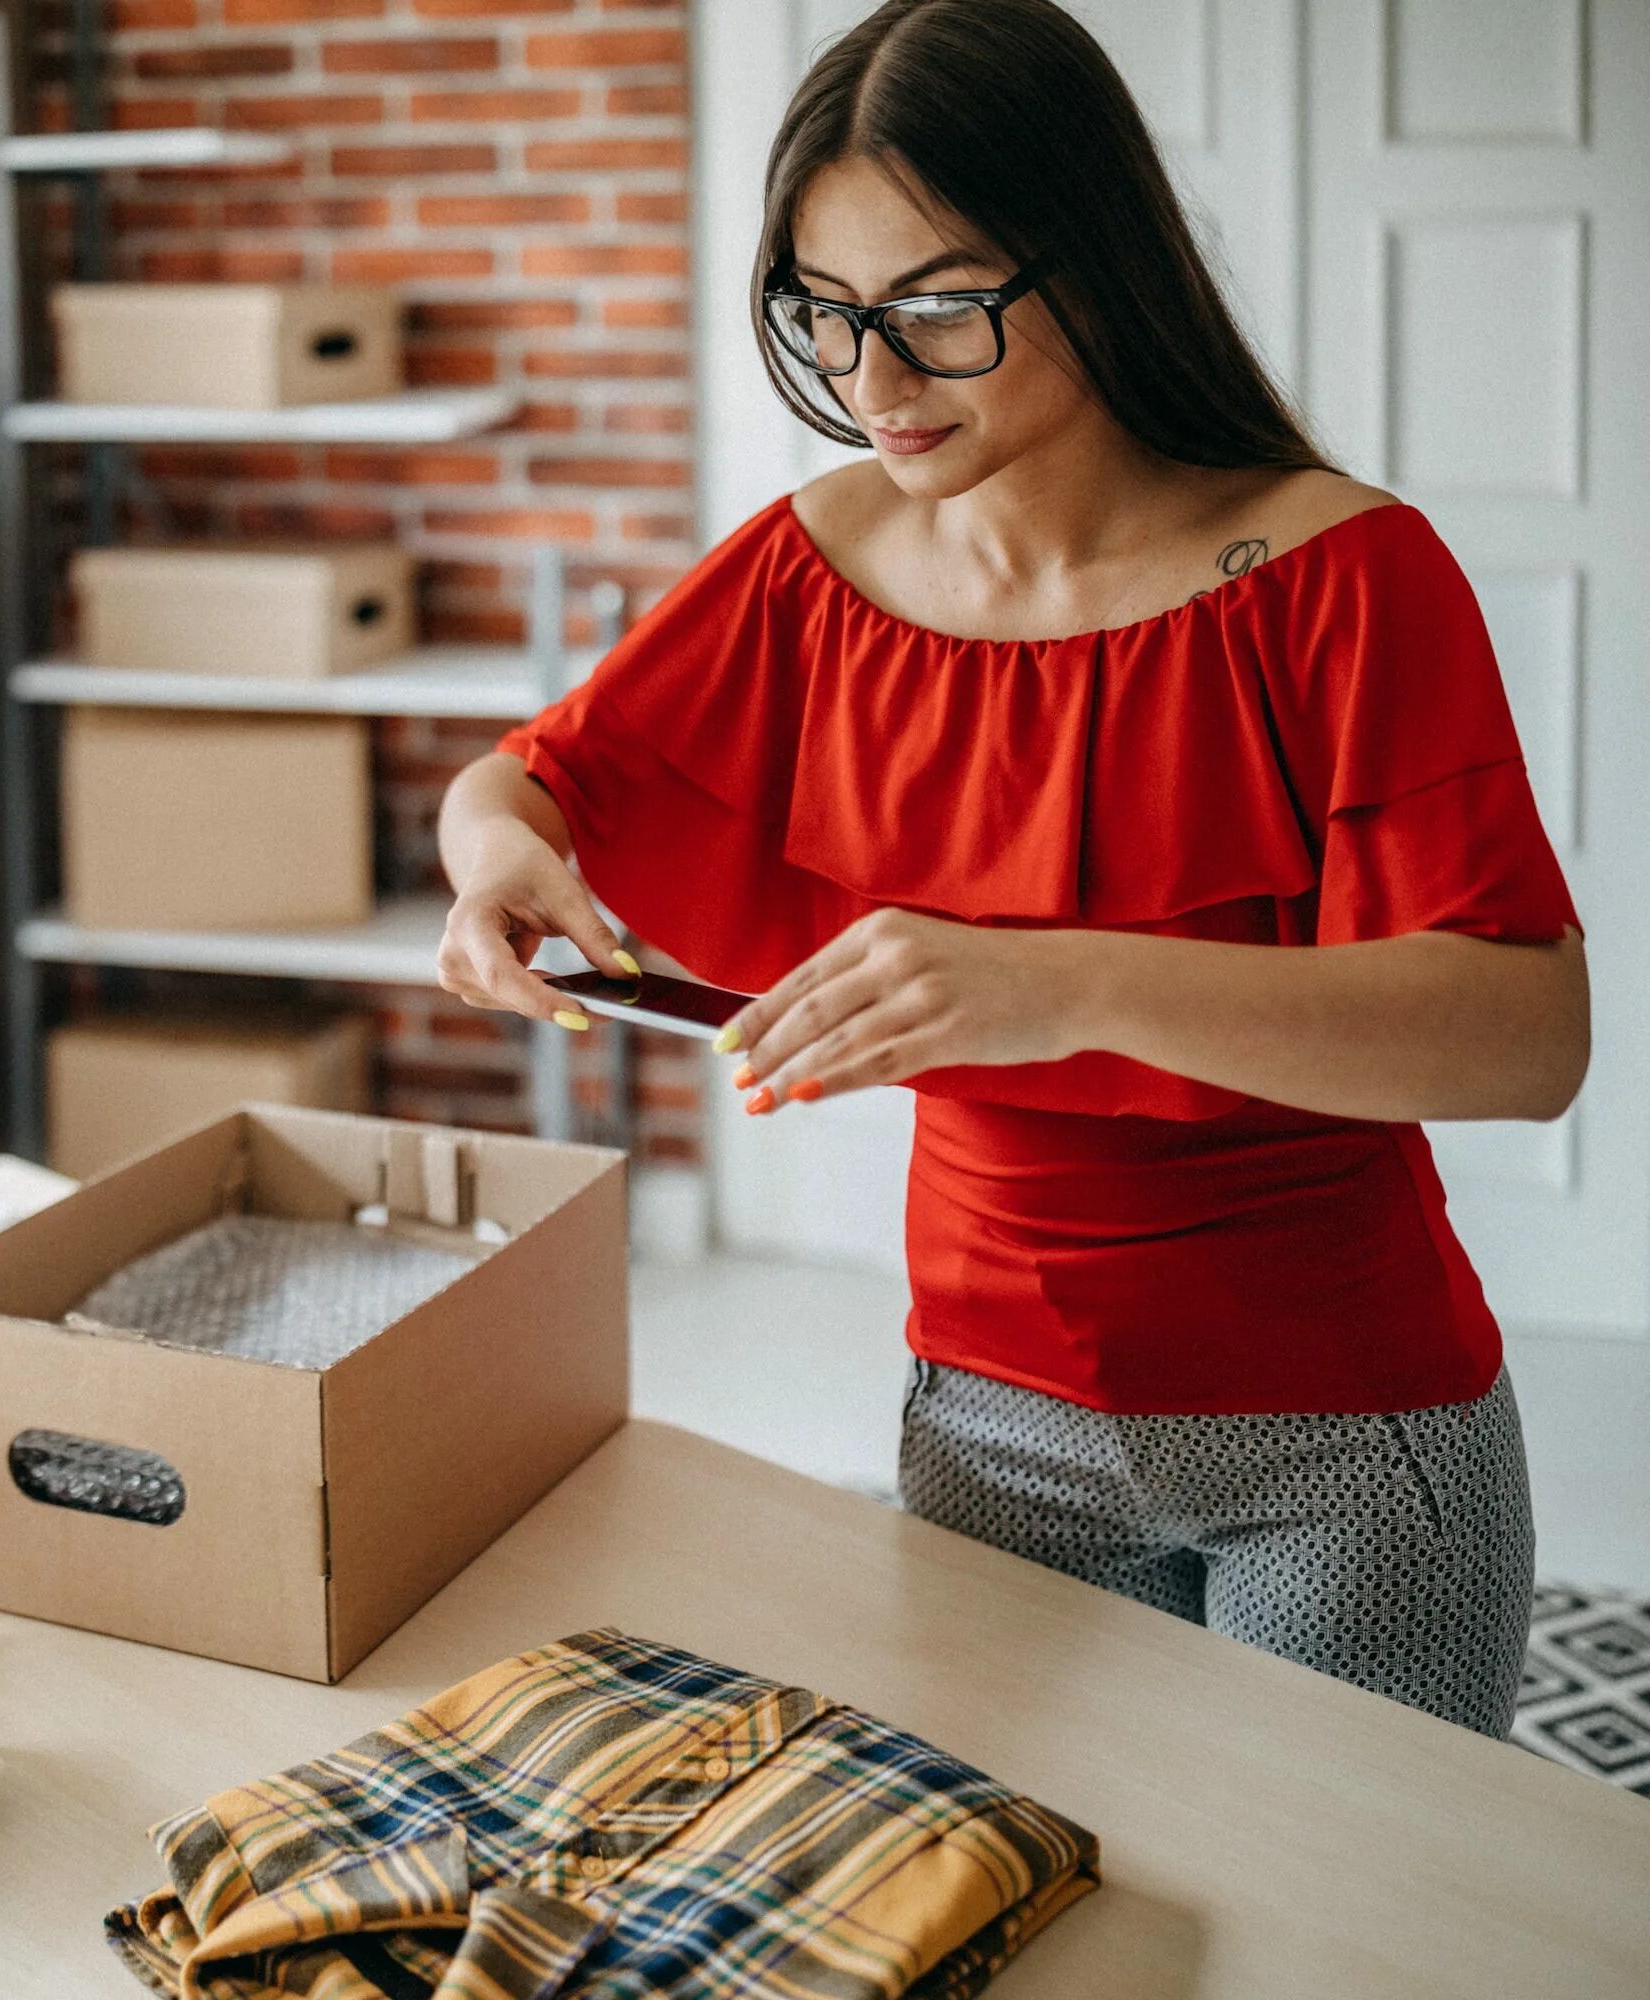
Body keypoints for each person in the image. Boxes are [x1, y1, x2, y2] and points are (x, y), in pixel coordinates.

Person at [437, 0, 1587, 1738]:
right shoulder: (816, 565)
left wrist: (1054, 976)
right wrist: (494, 864)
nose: (871, 385)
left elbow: (1524, 1036)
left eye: (938, 312)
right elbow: (524, 783)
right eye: (826, 317)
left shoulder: (1342, 574)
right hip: (980, 1416)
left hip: (1345, 1437)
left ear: (1100, 260)